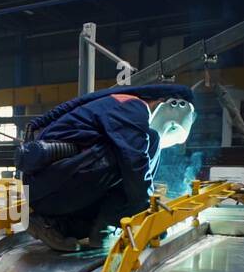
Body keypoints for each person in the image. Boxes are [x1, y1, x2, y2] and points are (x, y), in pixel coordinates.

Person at [16, 84, 196, 252]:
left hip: (56, 187)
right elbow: (134, 162)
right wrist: (147, 214)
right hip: (47, 185)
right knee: (127, 156)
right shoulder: (131, 106)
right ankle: (101, 223)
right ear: (174, 105)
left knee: (144, 147)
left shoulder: (127, 110)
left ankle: (56, 225)